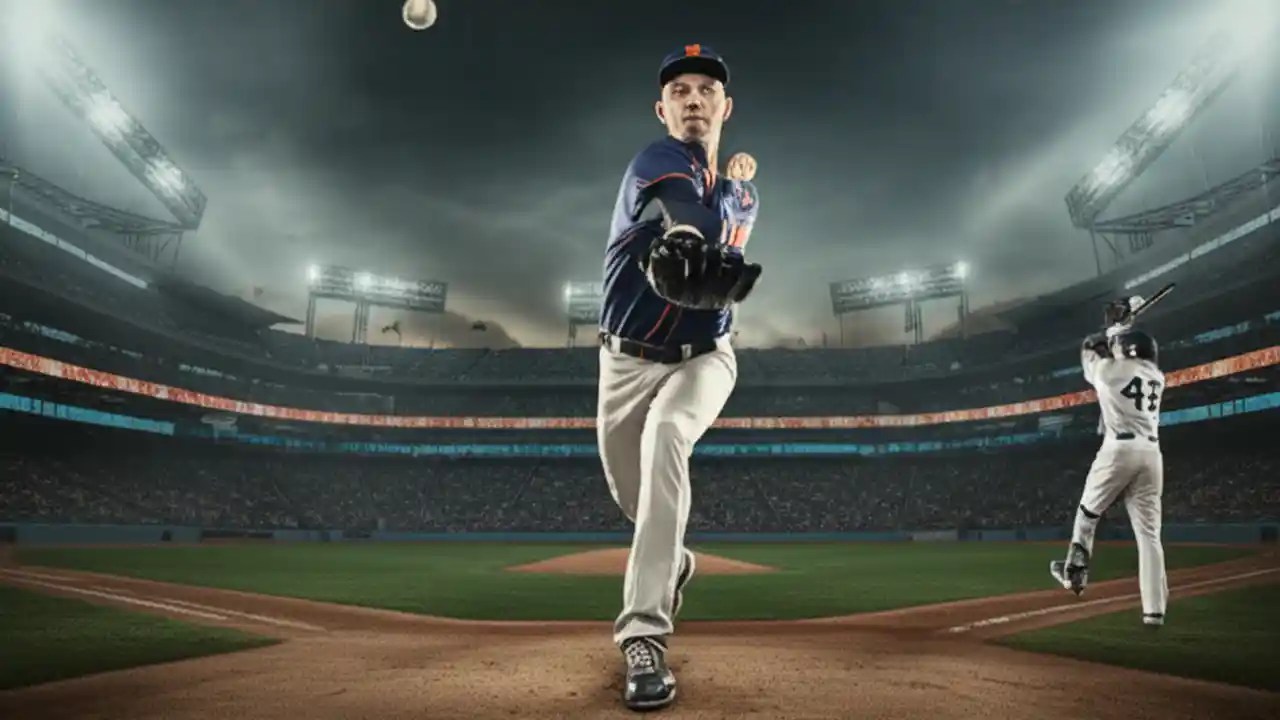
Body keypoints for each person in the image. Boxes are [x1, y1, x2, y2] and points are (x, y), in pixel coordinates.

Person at [596, 44, 762, 711]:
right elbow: (682, 208)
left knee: (668, 436)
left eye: (707, 89)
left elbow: (729, 210)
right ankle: (675, 564)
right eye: (681, 90)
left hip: (705, 358)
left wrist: (732, 195)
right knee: (634, 503)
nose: (694, 98)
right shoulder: (656, 159)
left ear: (726, 106)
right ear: (663, 108)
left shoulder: (741, 196)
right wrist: (690, 238)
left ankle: (643, 640)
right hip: (623, 362)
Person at [1050, 297, 1168, 627]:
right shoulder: (1158, 376)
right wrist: (1121, 331)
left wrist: (1110, 331)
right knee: (1149, 537)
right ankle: (1154, 612)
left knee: (1088, 515)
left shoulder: (1109, 370)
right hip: (1151, 454)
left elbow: (1091, 348)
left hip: (1118, 450)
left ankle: (1075, 574)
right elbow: (1125, 351)